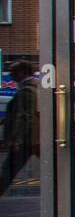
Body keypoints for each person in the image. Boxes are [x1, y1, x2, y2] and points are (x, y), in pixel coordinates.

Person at [0, 61, 39, 199]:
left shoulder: (26, 90)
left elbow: (25, 117)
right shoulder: (33, 87)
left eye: (13, 72)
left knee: (8, 170)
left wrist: (18, 139)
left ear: (22, 72)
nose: (11, 75)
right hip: (32, 139)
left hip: (26, 140)